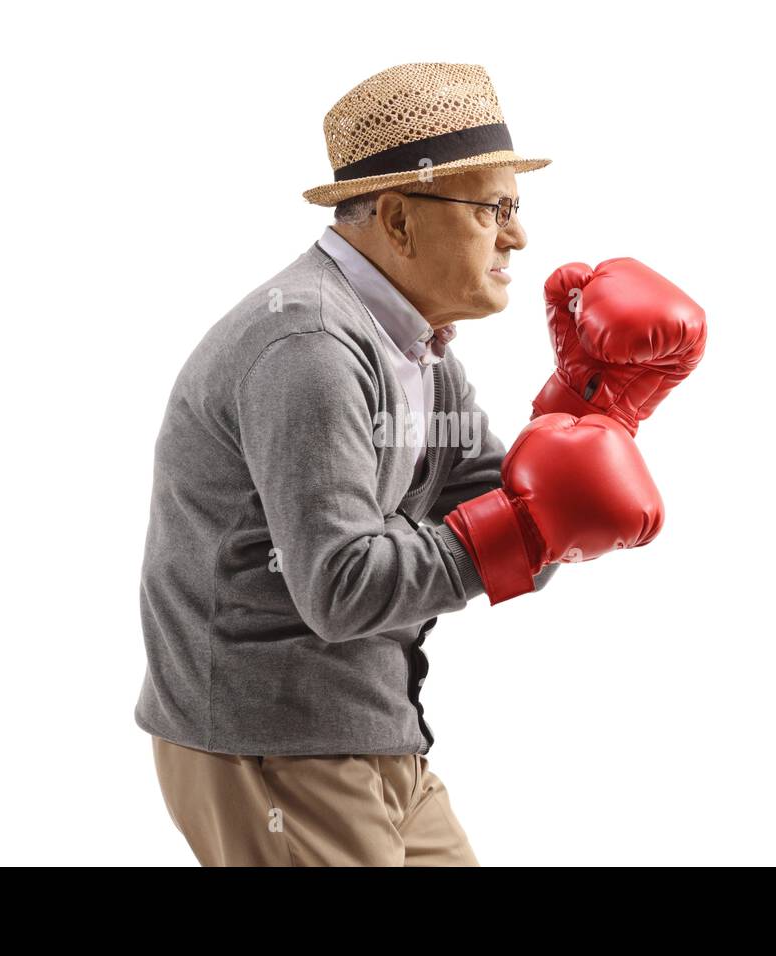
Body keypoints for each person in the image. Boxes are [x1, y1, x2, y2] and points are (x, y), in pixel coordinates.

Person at [133, 63, 691, 866]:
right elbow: (341, 585)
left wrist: (593, 412)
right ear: (398, 219)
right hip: (274, 747)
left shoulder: (417, 347)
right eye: (492, 209)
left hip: (372, 729)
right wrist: (528, 523)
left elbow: (516, 544)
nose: (518, 236)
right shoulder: (311, 348)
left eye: (517, 208)